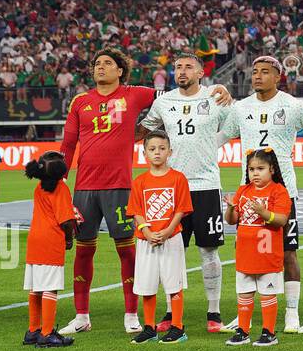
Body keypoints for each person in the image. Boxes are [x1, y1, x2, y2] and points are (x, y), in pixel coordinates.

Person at [59, 48, 229, 336]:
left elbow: (210, 112)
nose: (101, 68)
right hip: (99, 187)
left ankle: (192, 313)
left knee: (191, 250)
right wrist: (61, 180)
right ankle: (88, 316)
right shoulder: (81, 101)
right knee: (99, 251)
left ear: (120, 70)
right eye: (97, 64)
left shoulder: (139, 94)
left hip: (176, 185)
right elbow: (72, 143)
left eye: (107, 63)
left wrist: (217, 88)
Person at [218, 56, 303, 333]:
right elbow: (221, 137)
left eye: (265, 72)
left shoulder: (293, 106)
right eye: (255, 72)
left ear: (278, 76)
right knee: (247, 253)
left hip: (284, 191)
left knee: (288, 253)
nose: (258, 76)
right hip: (248, 192)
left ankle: (291, 313)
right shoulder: (241, 108)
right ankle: (244, 316)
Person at [140, 53, 233, 334]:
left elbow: (233, 124)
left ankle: (213, 312)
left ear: (200, 72)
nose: (181, 71)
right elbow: (146, 129)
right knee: (171, 253)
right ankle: (170, 312)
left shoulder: (215, 98)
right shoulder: (164, 102)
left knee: (209, 250)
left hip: (205, 186)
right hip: (172, 187)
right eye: (177, 67)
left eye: (188, 67)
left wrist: (212, 143)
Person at [127, 131, 192, 345]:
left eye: (162, 148)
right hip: (147, 240)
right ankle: (149, 327)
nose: (157, 153)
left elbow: (181, 209)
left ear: (170, 152)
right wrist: (146, 231)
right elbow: (136, 211)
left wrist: (167, 231)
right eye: (152, 149)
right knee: (147, 285)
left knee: (174, 284)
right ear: (144, 153)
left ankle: (178, 327)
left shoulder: (178, 178)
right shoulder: (140, 181)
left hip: (171, 239)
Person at [224, 149, 291, 347]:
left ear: (272, 169)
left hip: (267, 255)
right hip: (245, 253)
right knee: (244, 294)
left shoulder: (278, 191)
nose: (255, 173)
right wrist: (229, 208)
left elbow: (281, 220)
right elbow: (232, 220)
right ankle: (243, 331)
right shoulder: (243, 191)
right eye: (251, 169)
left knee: (267, 294)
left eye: (260, 168)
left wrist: (264, 212)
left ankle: (269, 332)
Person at [21, 151, 76, 349]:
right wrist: (69, 239)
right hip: (51, 240)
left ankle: (33, 330)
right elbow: (67, 220)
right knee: (50, 288)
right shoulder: (60, 188)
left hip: (34, 240)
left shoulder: (39, 187)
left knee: (35, 287)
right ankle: (46, 334)